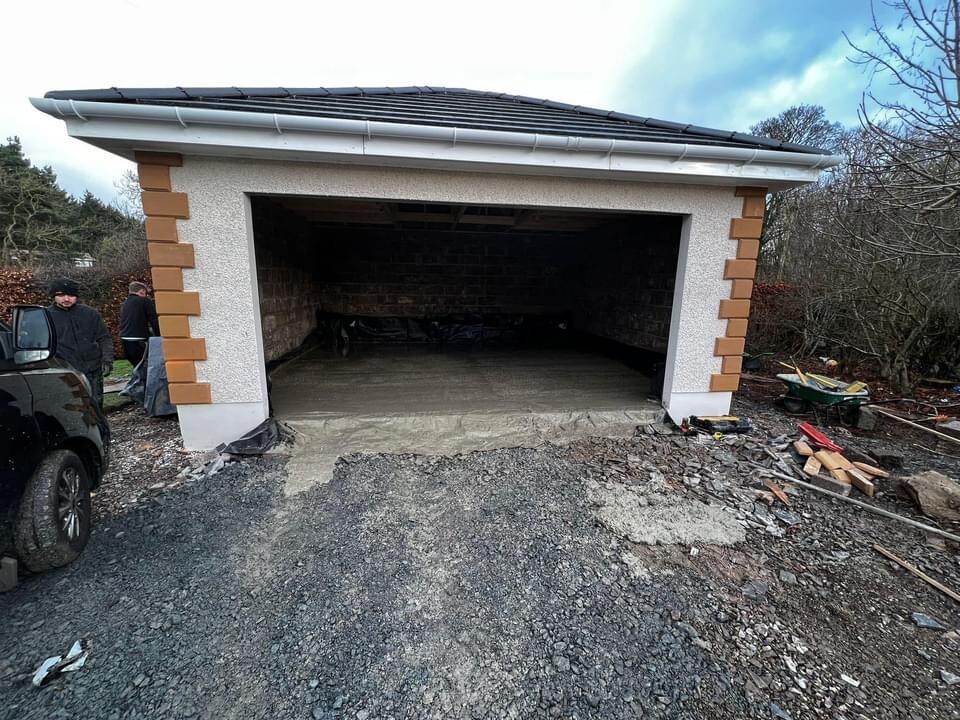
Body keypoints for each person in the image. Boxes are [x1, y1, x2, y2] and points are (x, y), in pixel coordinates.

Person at [47, 278, 113, 408]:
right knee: (72, 406)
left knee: (96, 404)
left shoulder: (90, 313)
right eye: (61, 295)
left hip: (93, 368)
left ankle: (99, 420)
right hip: (65, 370)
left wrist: (107, 360)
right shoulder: (46, 317)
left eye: (71, 295)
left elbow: (104, 337)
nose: (66, 299)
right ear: (54, 296)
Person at [119, 281, 160, 368]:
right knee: (145, 366)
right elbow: (154, 320)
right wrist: (159, 335)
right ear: (142, 291)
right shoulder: (145, 301)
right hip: (140, 340)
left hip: (125, 340)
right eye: (146, 293)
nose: (146, 295)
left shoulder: (124, 304)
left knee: (137, 367)